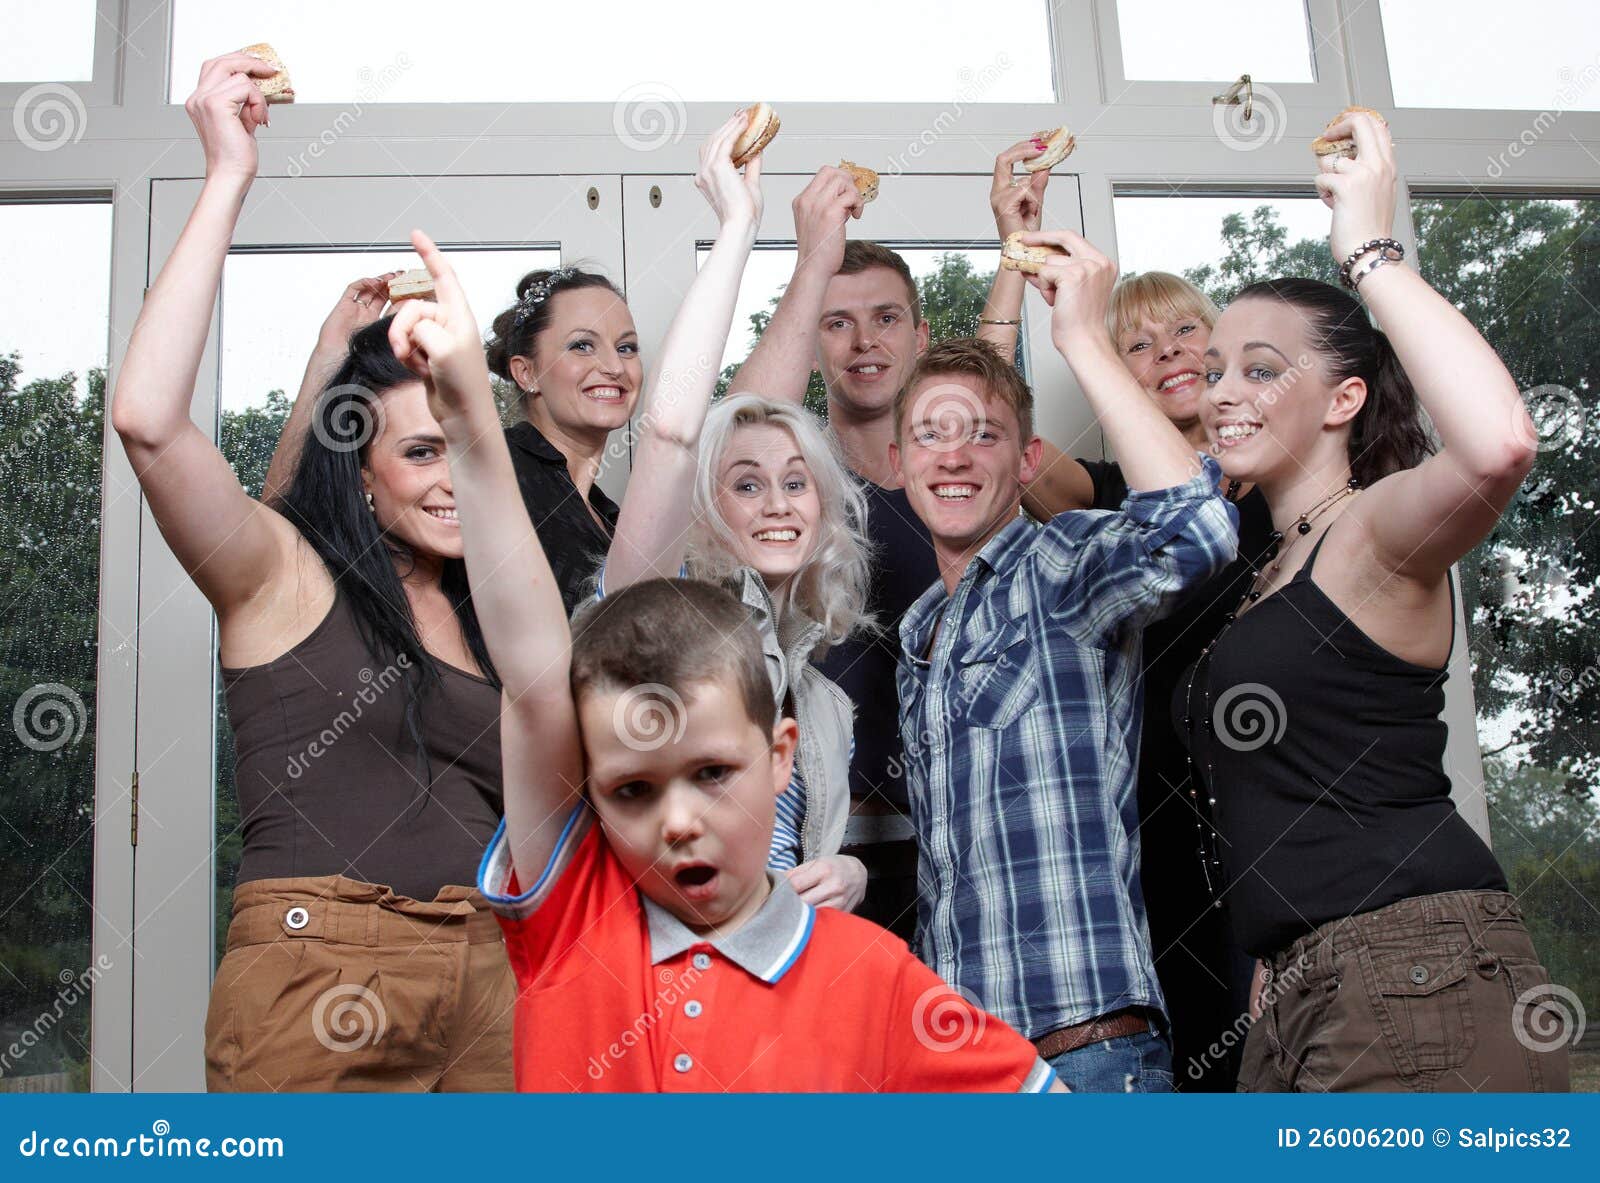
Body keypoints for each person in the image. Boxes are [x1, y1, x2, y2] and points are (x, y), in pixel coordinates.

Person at [381, 196, 1064, 1095]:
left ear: (776, 754)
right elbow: (541, 671)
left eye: (714, 771)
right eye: (631, 785)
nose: (680, 816)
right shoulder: (583, 904)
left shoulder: (826, 744)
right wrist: (470, 419)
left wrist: (847, 872)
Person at [112, 53, 511, 1092]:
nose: (455, 480)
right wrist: (226, 175)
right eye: (421, 453)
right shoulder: (284, 582)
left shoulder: (493, 609)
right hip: (323, 966)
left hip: (493, 973)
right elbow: (150, 423)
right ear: (363, 472)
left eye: (464, 446)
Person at [1177, 110, 1569, 1092]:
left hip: (1416, 971)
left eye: (1261, 369)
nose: (1224, 390)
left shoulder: (1375, 532)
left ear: (1343, 399)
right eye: (1215, 368)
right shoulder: (1270, 563)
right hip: (1310, 986)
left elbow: (1497, 445)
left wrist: (1368, 249)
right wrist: (1276, 951)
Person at [890, 226, 1238, 1092]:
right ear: (900, 465)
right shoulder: (917, 637)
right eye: (932, 434)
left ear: (1026, 461)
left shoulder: (1064, 566)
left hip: (1090, 1055)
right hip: (965, 1069)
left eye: (983, 433)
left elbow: (1198, 529)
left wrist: (1082, 334)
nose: (956, 454)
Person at [984, 242, 1271, 1091]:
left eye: (1189, 331)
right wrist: (1011, 257)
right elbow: (984, 429)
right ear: (1115, 370)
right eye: (1139, 344)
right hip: (1156, 841)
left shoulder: (1293, 488)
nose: (1172, 352)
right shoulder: (1103, 499)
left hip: (1281, 828)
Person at [597, 121, 870, 903]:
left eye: (796, 482)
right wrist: (738, 228)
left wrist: (847, 870)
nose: (779, 502)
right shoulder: (658, 619)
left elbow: (799, 860)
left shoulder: (824, 706)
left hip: (786, 992)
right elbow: (674, 433)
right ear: (705, 510)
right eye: (746, 484)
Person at [264, 257, 640, 619]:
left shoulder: (608, 515)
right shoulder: (488, 466)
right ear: (526, 373)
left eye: (626, 348)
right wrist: (329, 359)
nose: (614, 367)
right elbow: (292, 542)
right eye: (581, 345)